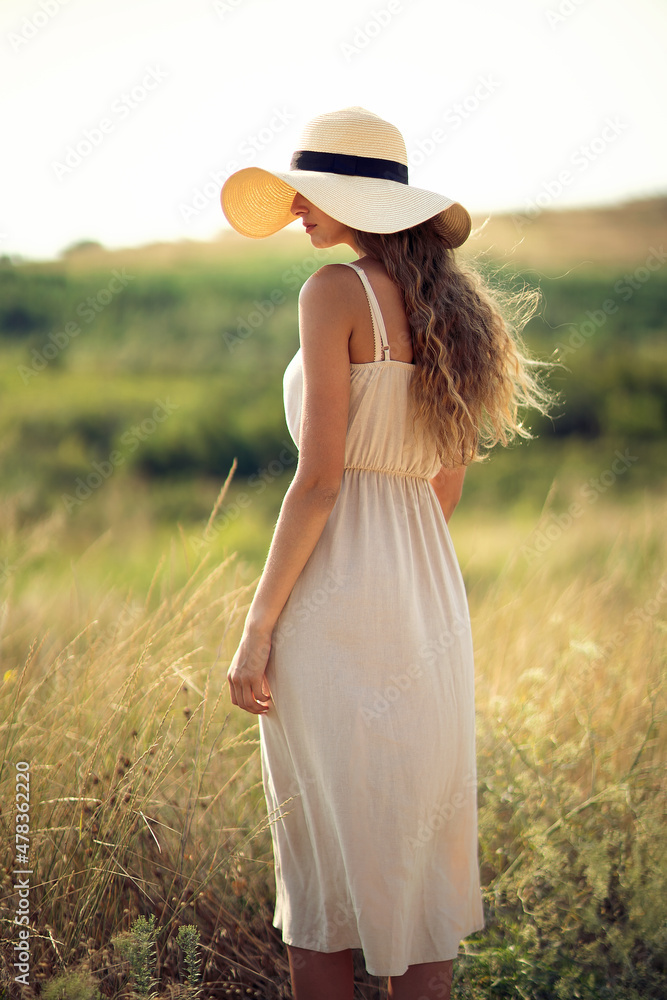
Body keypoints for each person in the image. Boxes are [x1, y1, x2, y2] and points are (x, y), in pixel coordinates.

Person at [221, 107, 551, 1000]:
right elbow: (445, 482)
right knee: (421, 851)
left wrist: (259, 629)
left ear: (358, 204)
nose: (298, 212)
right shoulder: (457, 310)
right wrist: (400, 554)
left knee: (321, 852)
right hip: (424, 596)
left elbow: (319, 481)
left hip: (335, 597)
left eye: (313, 196)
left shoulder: (332, 292)